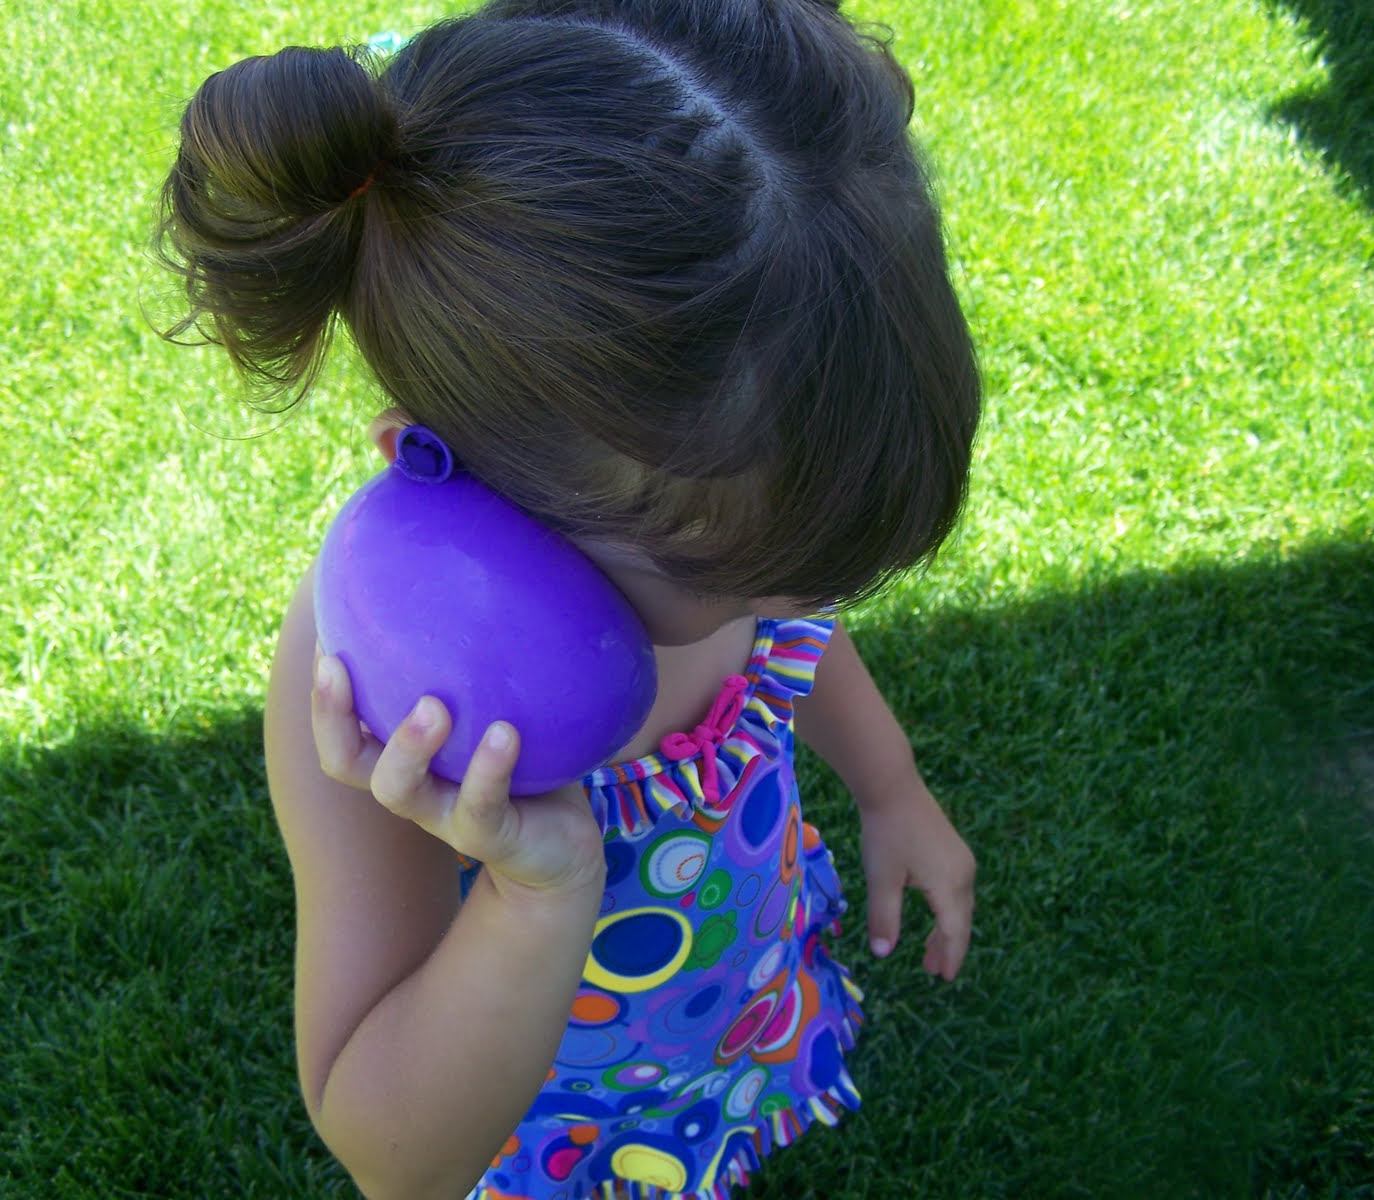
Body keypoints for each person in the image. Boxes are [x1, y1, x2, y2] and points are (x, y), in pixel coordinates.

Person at [155, 0, 980, 1195]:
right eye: (757, 575)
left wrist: (891, 788)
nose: (792, 601)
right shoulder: (370, 690)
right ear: (470, 484)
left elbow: (796, 639)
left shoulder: (709, 533)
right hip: (560, 1095)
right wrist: (537, 895)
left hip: (728, 1004)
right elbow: (385, 1147)